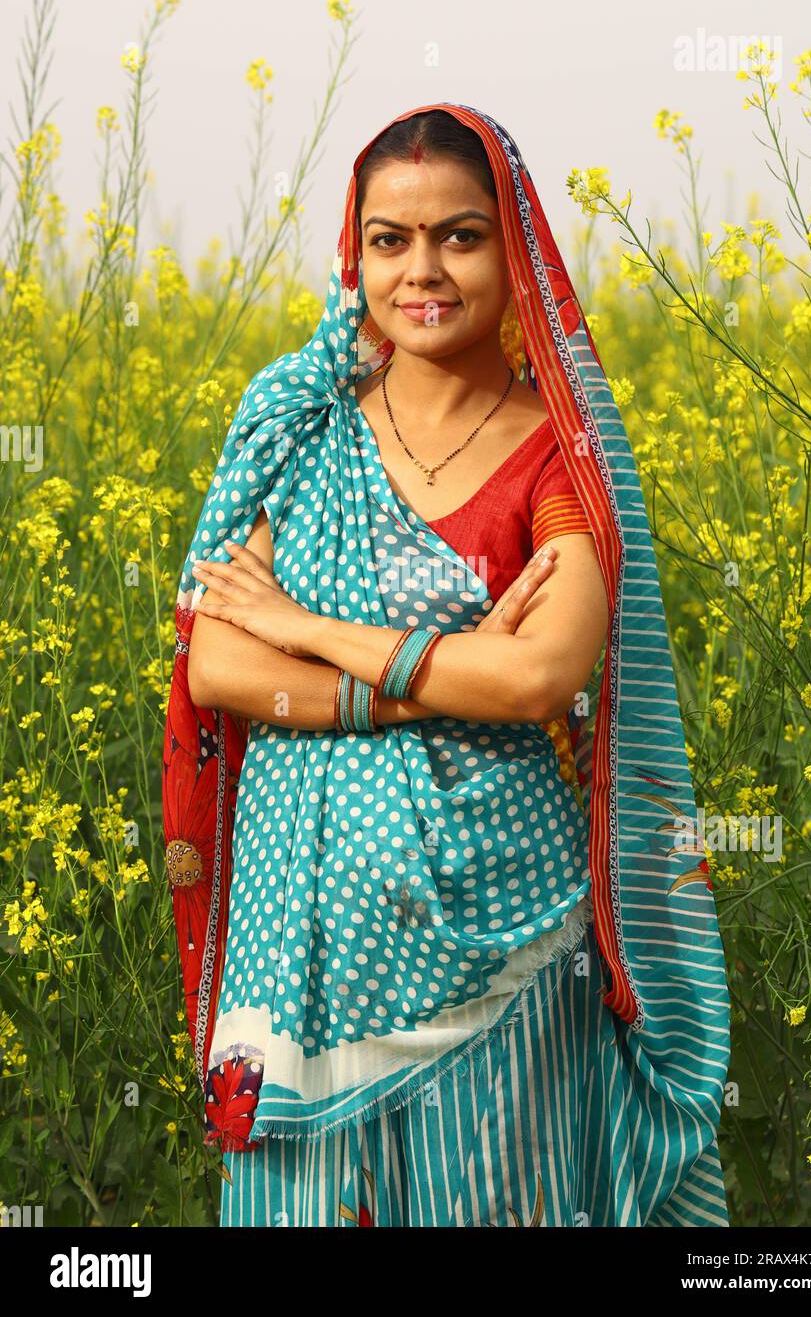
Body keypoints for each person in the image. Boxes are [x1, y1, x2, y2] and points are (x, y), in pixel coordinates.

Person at [162, 103, 731, 1227]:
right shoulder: (298, 424)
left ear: (511, 252)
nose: (421, 271)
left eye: (459, 238)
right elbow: (221, 662)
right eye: (389, 240)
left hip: (504, 958)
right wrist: (440, 669)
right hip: (302, 958)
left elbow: (538, 679)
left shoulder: (553, 451)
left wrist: (317, 631)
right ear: (354, 252)